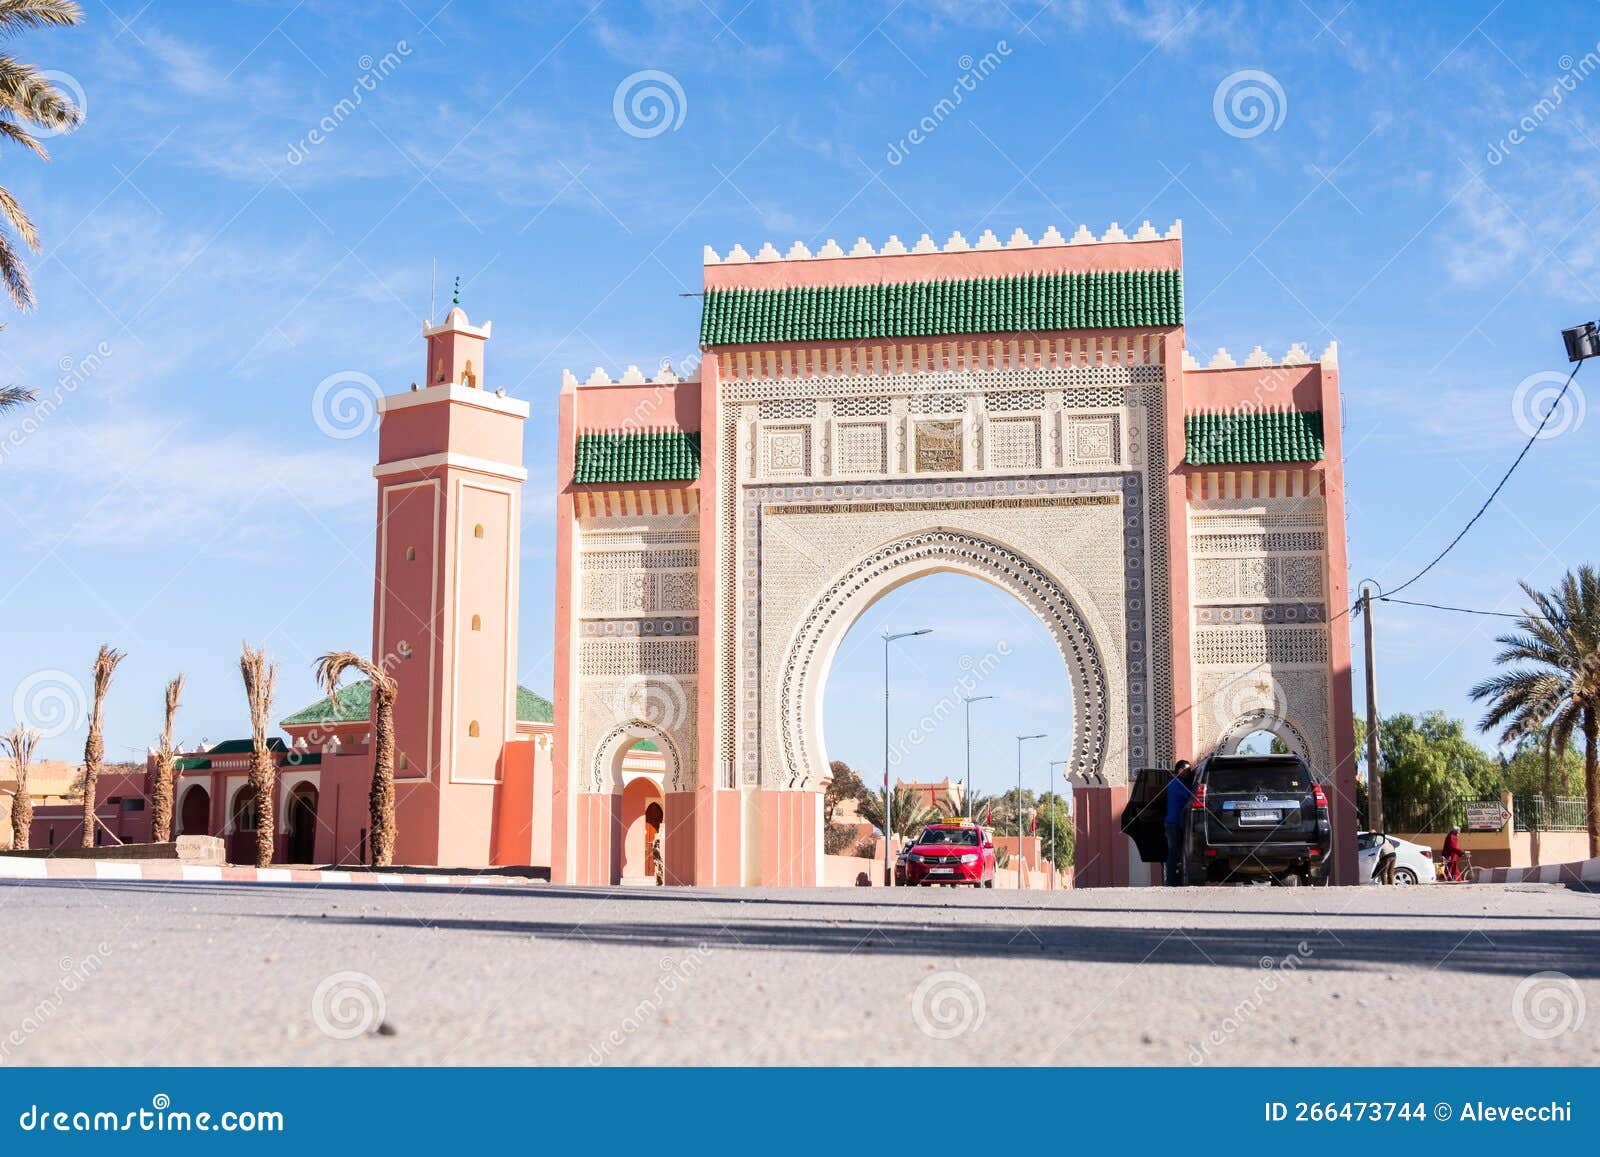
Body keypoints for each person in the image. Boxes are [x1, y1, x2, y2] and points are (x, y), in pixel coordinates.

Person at [1164, 760, 1194, 886]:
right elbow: (1190, 795)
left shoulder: (1177, 783)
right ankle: (1171, 881)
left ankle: (1177, 880)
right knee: (1173, 852)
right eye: (1187, 770)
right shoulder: (1176, 783)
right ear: (1180, 770)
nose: (1189, 772)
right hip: (1173, 823)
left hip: (1178, 823)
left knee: (1178, 851)